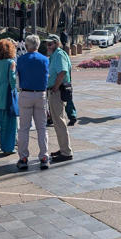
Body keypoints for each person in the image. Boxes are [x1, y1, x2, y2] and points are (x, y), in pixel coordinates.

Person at [16, 34, 50, 170]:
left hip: (26, 93)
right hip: (41, 94)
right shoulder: (45, 59)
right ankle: (44, 157)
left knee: (24, 128)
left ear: (27, 45)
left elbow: (18, 76)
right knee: (42, 127)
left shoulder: (21, 59)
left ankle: (23, 158)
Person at [46, 34, 73, 162]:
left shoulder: (59, 55)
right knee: (57, 121)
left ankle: (66, 152)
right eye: (47, 44)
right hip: (55, 90)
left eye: (50, 44)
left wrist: (56, 86)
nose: (48, 46)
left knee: (59, 121)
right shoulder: (54, 55)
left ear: (56, 43)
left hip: (57, 91)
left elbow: (63, 71)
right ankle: (63, 148)